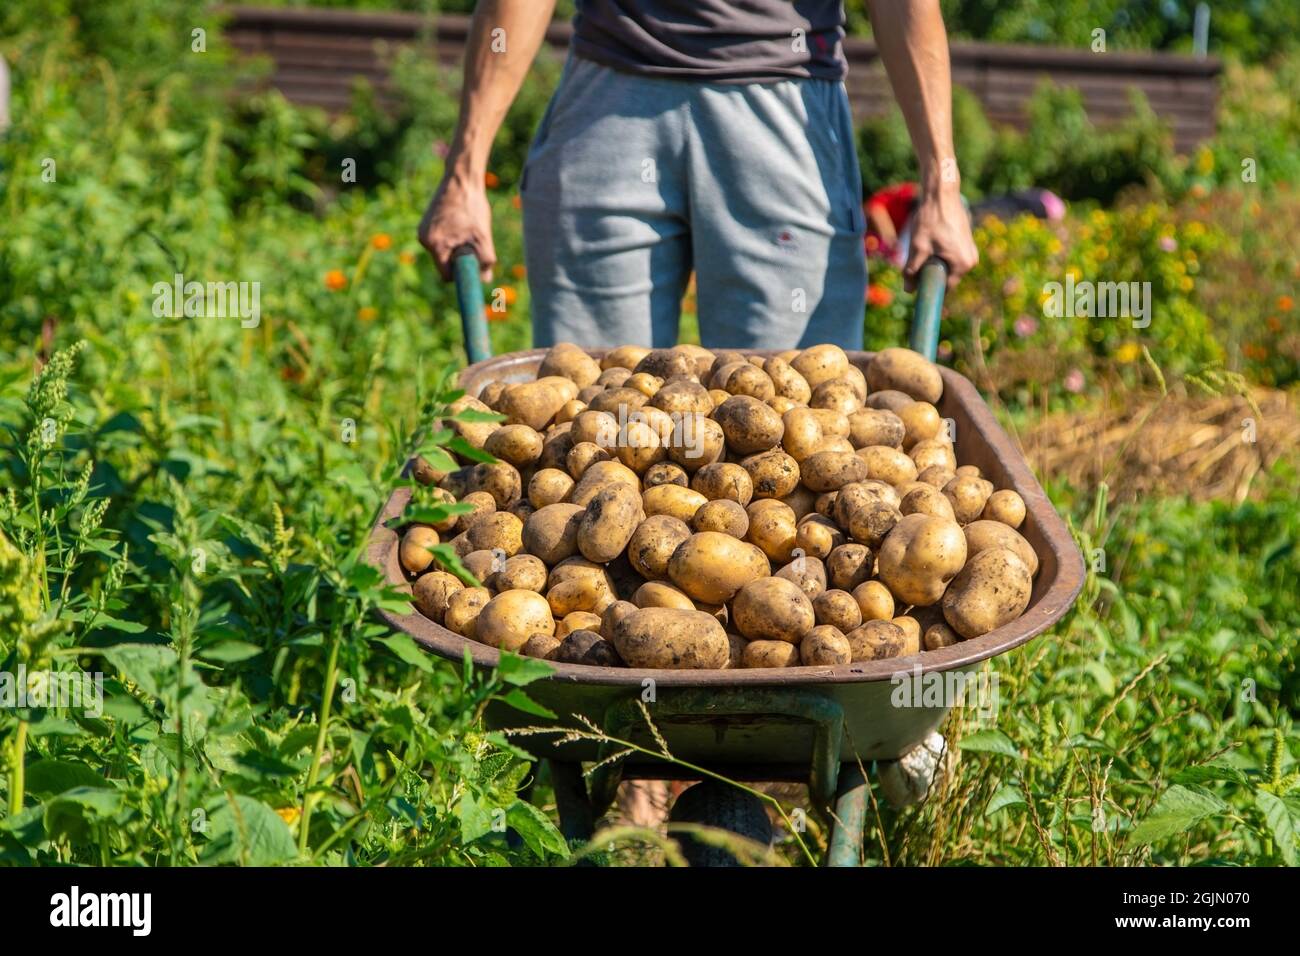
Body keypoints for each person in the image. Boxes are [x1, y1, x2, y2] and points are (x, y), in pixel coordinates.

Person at [419, 0, 977, 351]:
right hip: (609, 102)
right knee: (592, 420)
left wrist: (941, 185)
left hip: (784, 113)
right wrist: (465, 172)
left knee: (795, 424)